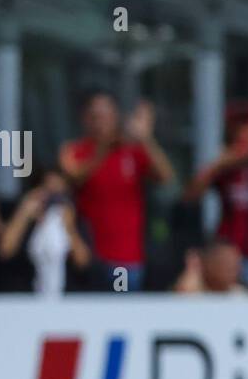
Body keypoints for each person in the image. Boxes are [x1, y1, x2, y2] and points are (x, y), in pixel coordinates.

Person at [59, 93, 174, 291]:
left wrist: (146, 139)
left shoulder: (131, 151)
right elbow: (74, 175)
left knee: (119, 315)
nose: (101, 123)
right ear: (85, 119)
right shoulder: (75, 150)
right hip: (87, 257)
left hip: (125, 261)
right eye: (95, 117)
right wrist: (103, 149)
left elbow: (166, 177)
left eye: (106, 116)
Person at [181, 101, 248, 291]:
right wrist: (222, 162)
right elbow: (191, 194)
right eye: (242, 131)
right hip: (227, 258)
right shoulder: (227, 167)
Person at [0, 169, 95, 295]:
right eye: (48, 191)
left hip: (66, 300)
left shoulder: (76, 223)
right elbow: (4, 251)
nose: (53, 200)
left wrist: (69, 227)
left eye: (58, 193)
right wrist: (23, 213)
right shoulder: (28, 223)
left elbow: (84, 263)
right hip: (27, 298)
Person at [173, 240, 247, 294]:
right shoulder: (193, 293)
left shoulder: (238, 295)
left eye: (235, 263)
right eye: (226, 262)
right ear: (209, 264)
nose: (233, 269)